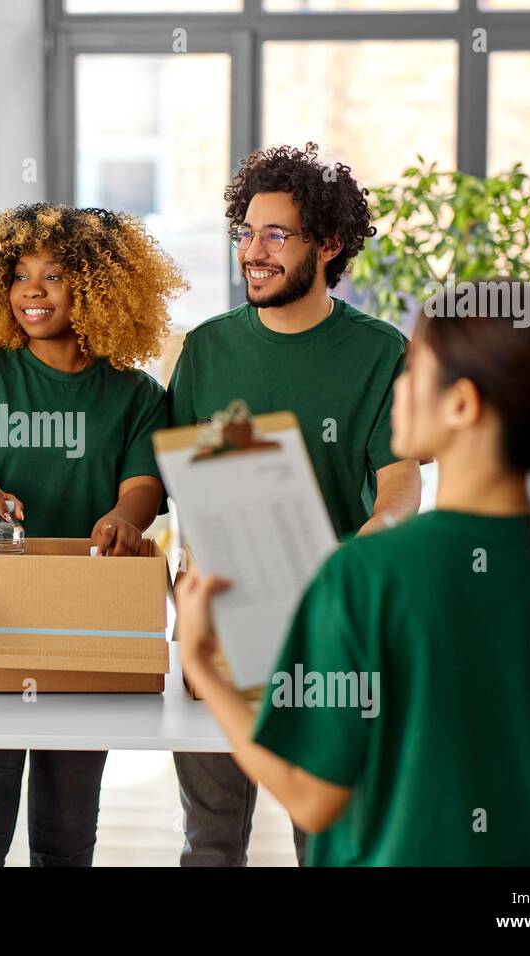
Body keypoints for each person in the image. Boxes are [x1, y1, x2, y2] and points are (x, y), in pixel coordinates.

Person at [176, 283, 530, 865]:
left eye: (415, 370)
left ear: (462, 404)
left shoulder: (368, 575)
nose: (397, 387)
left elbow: (313, 800)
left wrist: (201, 665)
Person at [167, 142, 422, 866]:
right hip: (220, 626)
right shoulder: (206, 350)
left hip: (329, 629)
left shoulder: (380, 353)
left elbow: (400, 477)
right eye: (246, 232)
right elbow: (174, 481)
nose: (254, 250)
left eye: (277, 234)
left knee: (330, 838)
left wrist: (371, 541)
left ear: (330, 244)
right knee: (209, 842)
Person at [0, 203, 186, 866]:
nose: (32, 290)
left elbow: (144, 487)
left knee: (67, 837)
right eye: (18, 276)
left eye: (55, 275)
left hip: (86, 630)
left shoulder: (135, 395)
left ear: (101, 287)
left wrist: (125, 518)